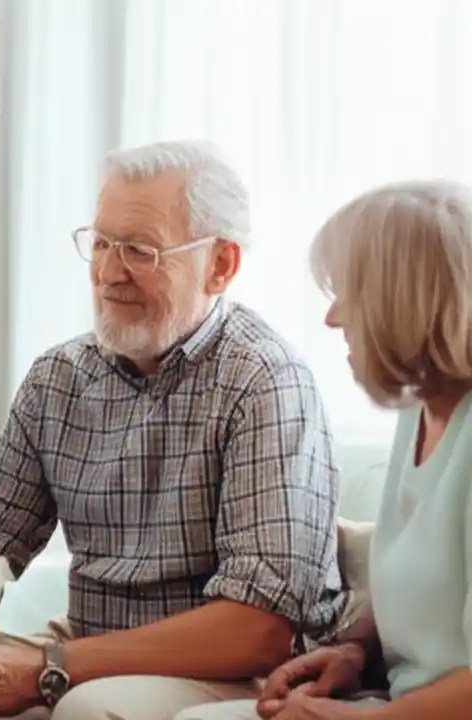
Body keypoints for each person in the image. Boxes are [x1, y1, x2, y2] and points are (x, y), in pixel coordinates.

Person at [0, 140, 346, 720]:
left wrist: (47, 669)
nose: (108, 273)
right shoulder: (59, 376)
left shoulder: (265, 382)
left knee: (89, 707)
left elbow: (259, 631)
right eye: (101, 243)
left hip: (234, 671)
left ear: (221, 265)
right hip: (87, 643)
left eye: (139, 251)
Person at [182, 180, 472, 720]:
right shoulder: (421, 413)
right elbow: (432, 601)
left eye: (348, 292)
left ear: (404, 300)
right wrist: (353, 652)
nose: (333, 317)